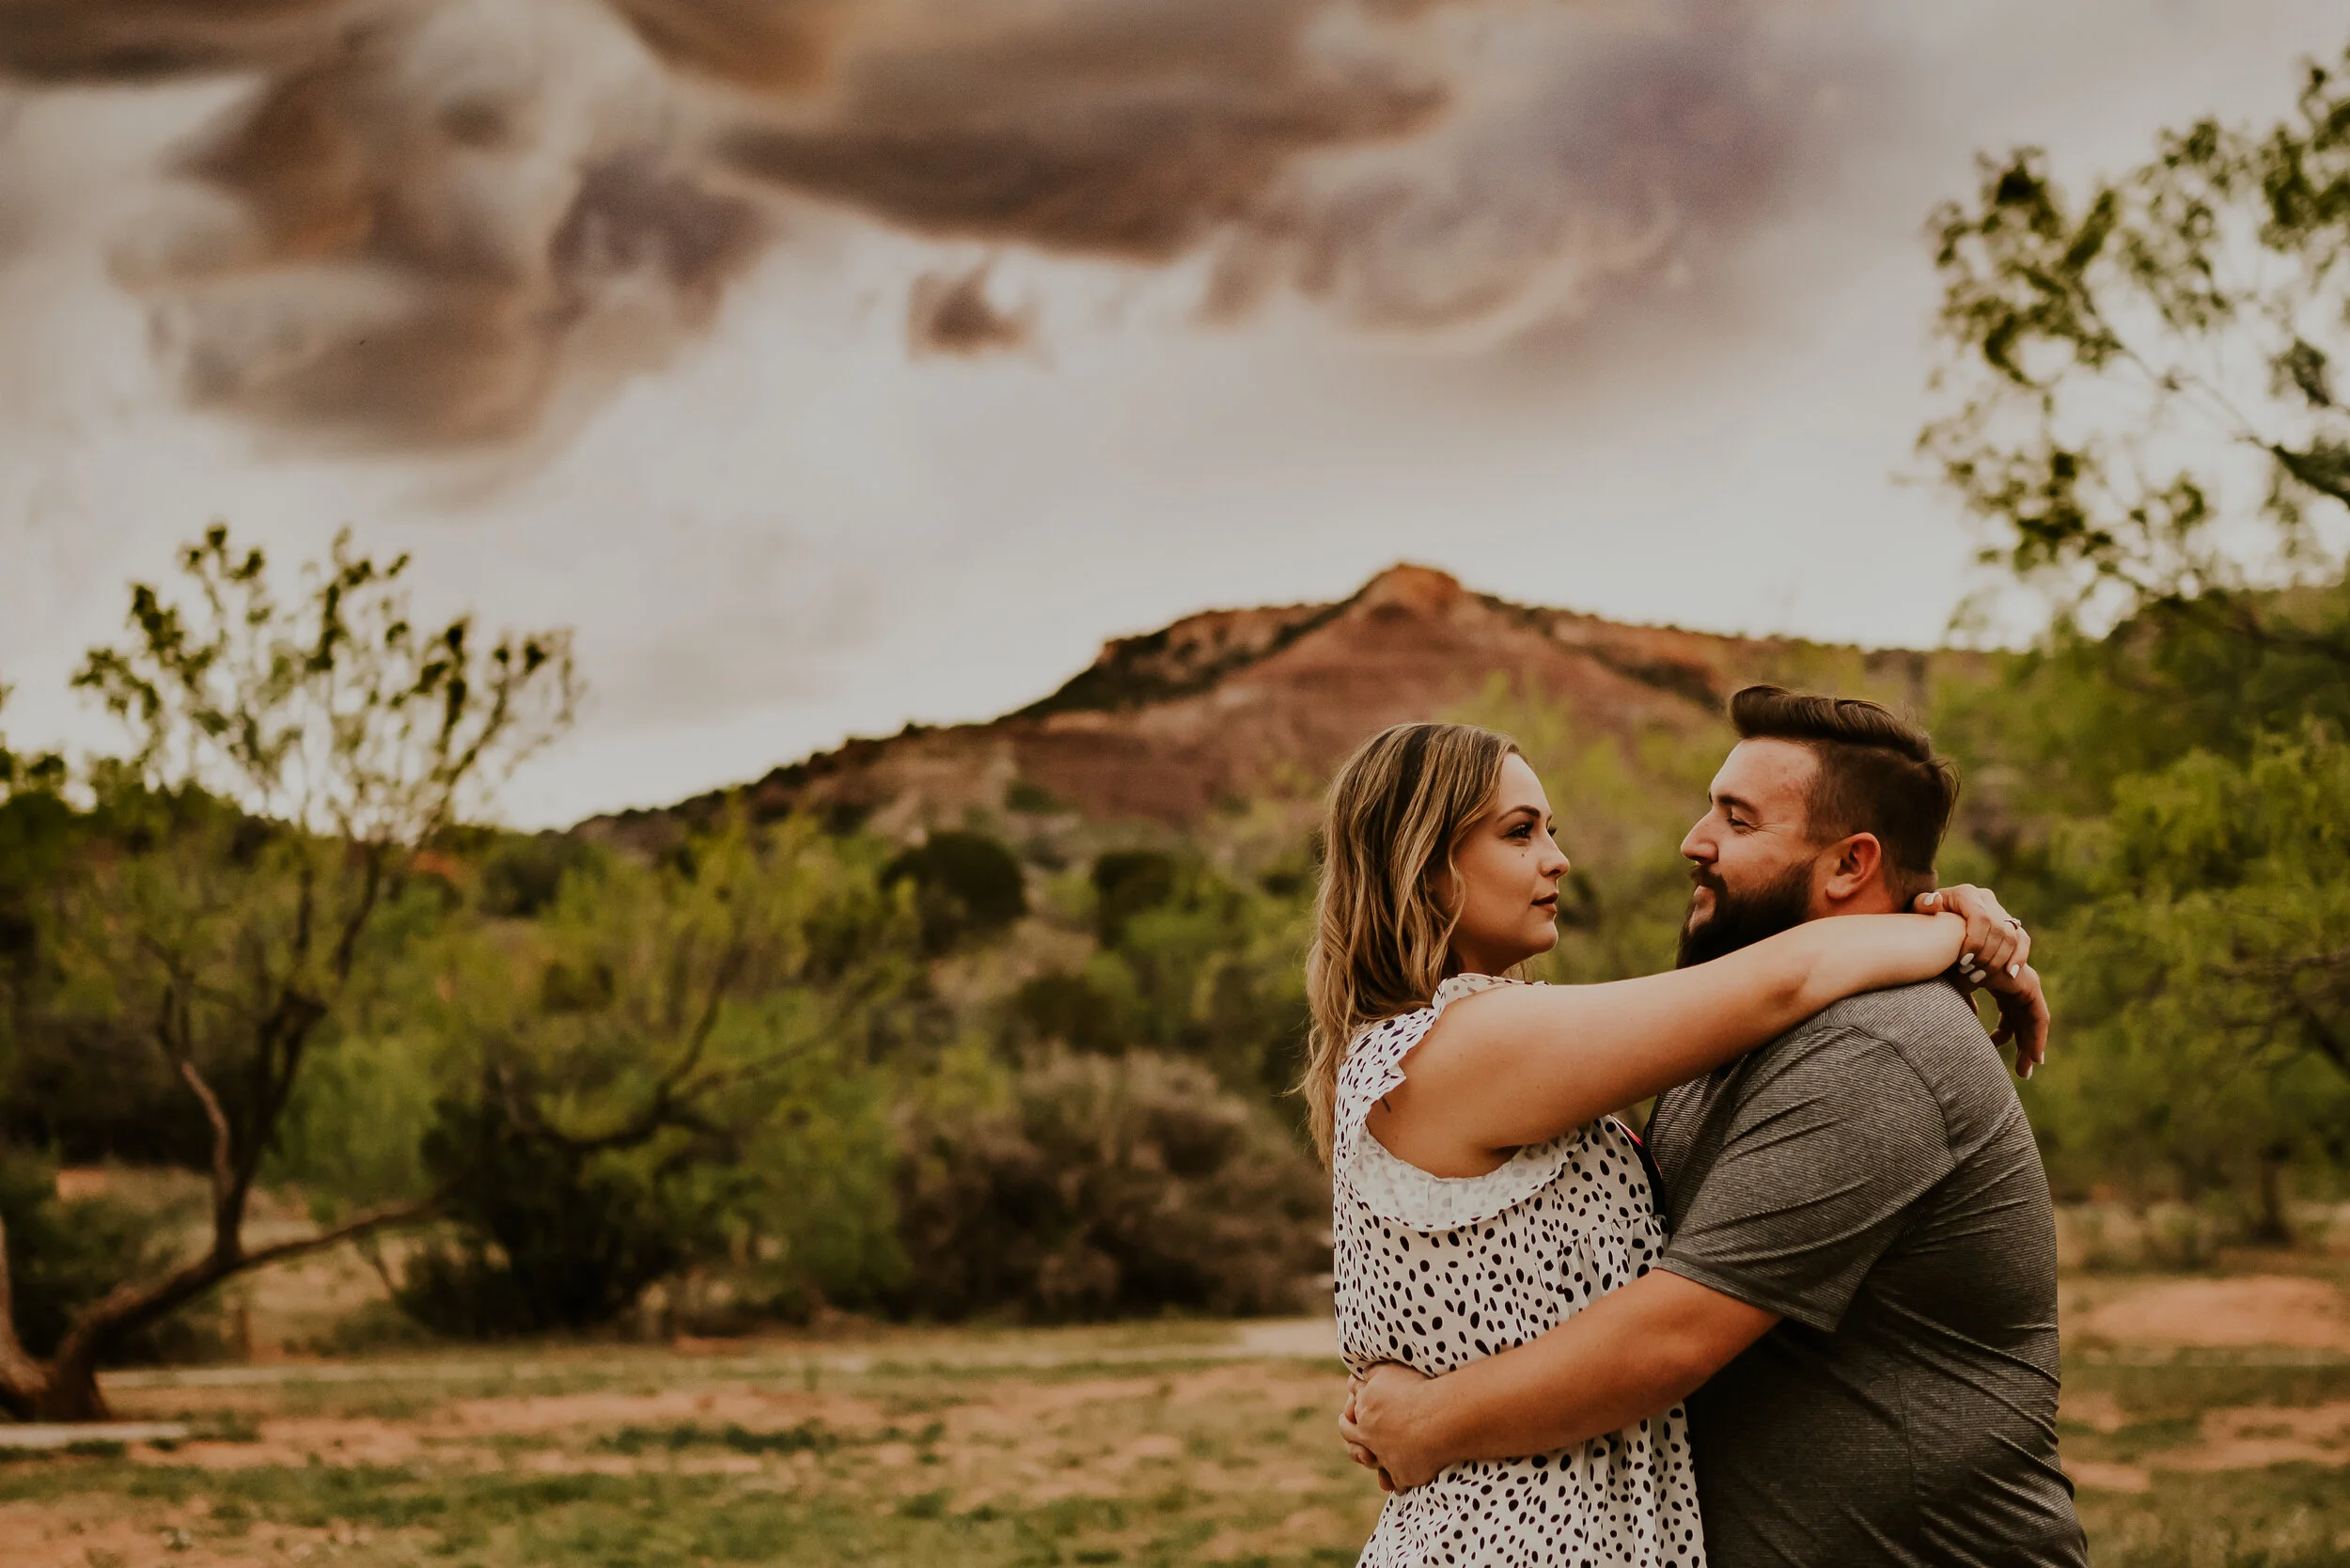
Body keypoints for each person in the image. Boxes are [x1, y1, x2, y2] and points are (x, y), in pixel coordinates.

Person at [1338, 688, 2088, 1567]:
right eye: (1520, 832)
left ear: (1850, 865)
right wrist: (1962, 930)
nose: (1693, 840)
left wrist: (1430, 1418)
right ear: (1425, 867)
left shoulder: (1880, 1046)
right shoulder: (1503, 1045)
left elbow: (1670, 1333)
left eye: (1735, 818)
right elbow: (1783, 980)